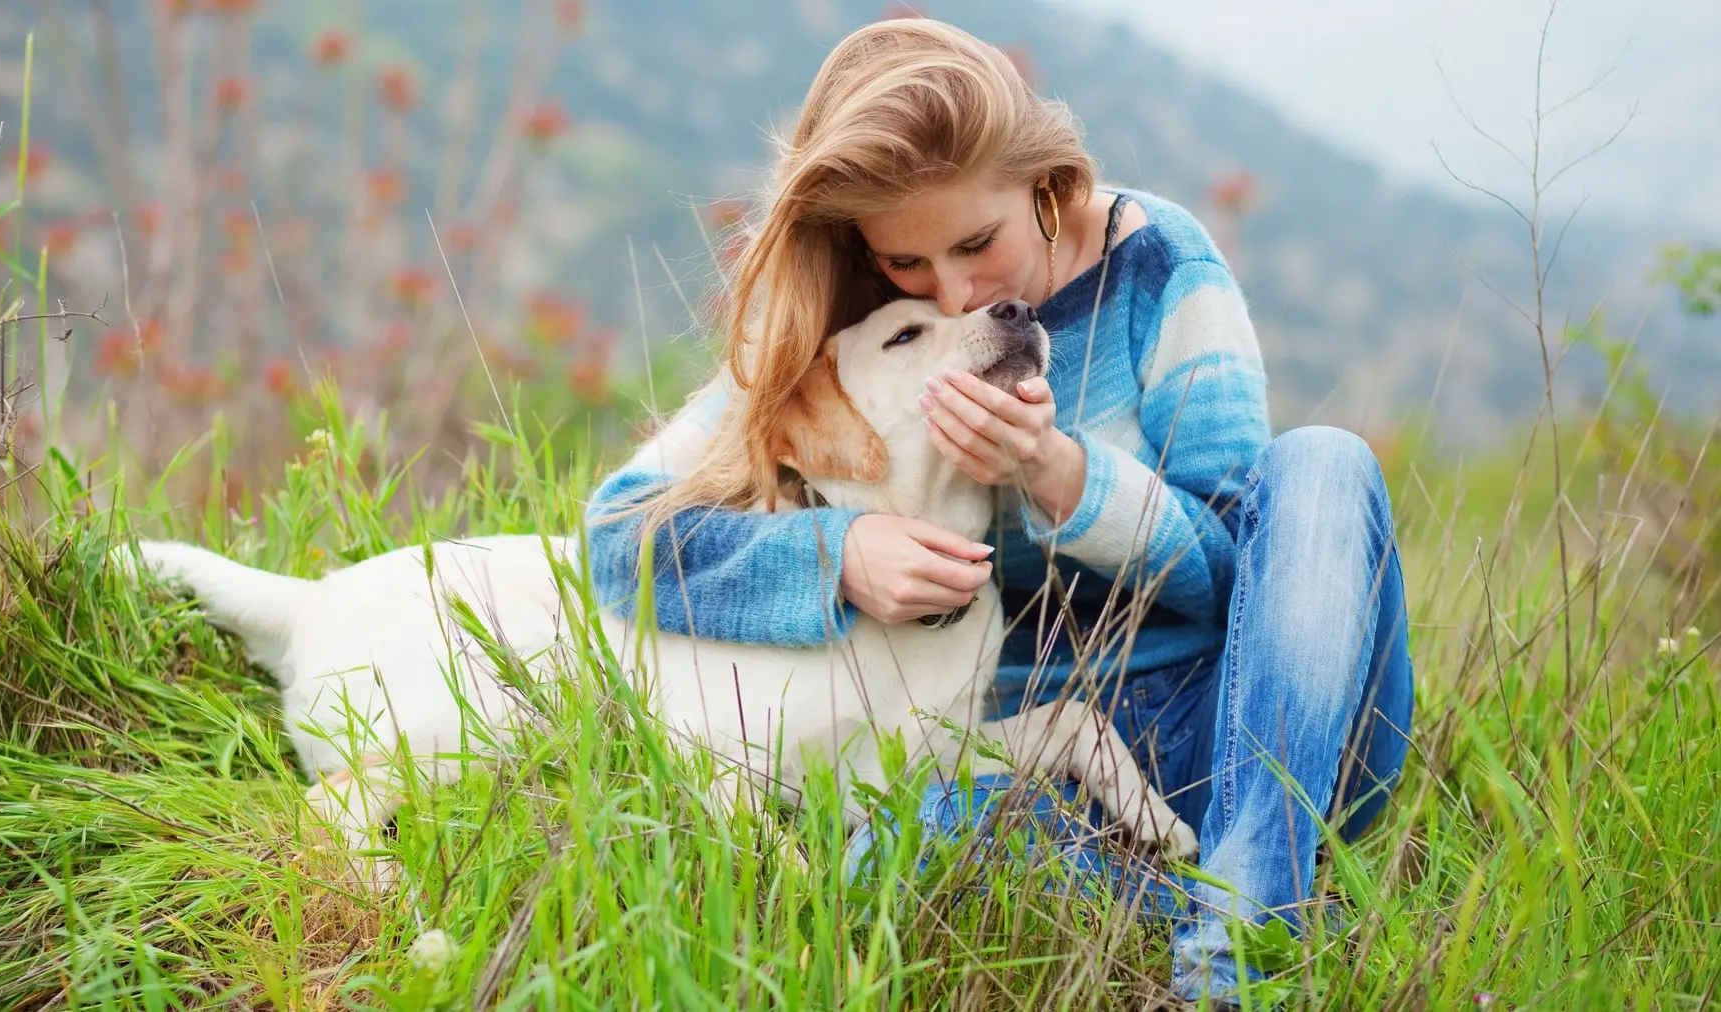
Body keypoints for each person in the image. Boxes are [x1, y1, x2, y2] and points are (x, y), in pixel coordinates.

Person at [582, 17, 1413, 1005]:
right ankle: (1190, 897)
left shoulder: (1158, 269)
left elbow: (1241, 570)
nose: (957, 289)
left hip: (1256, 726)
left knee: (1323, 462)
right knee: (886, 850)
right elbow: (619, 530)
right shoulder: (856, 315)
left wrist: (1064, 476)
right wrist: (835, 554)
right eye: (908, 265)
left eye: (979, 242)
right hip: (1025, 761)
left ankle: (1242, 931)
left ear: (1046, 184)